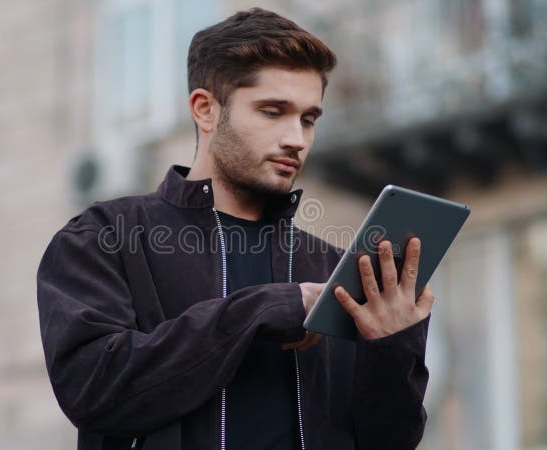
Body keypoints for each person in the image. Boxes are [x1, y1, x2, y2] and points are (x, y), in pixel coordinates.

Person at [37, 7, 434, 450]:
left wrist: (392, 345)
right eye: (272, 112)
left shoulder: (332, 268)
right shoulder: (106, 237)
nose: (296, 139)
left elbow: (388, 441)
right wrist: (267, 310)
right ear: (206, 110)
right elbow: (94, 390)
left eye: (308, 119)